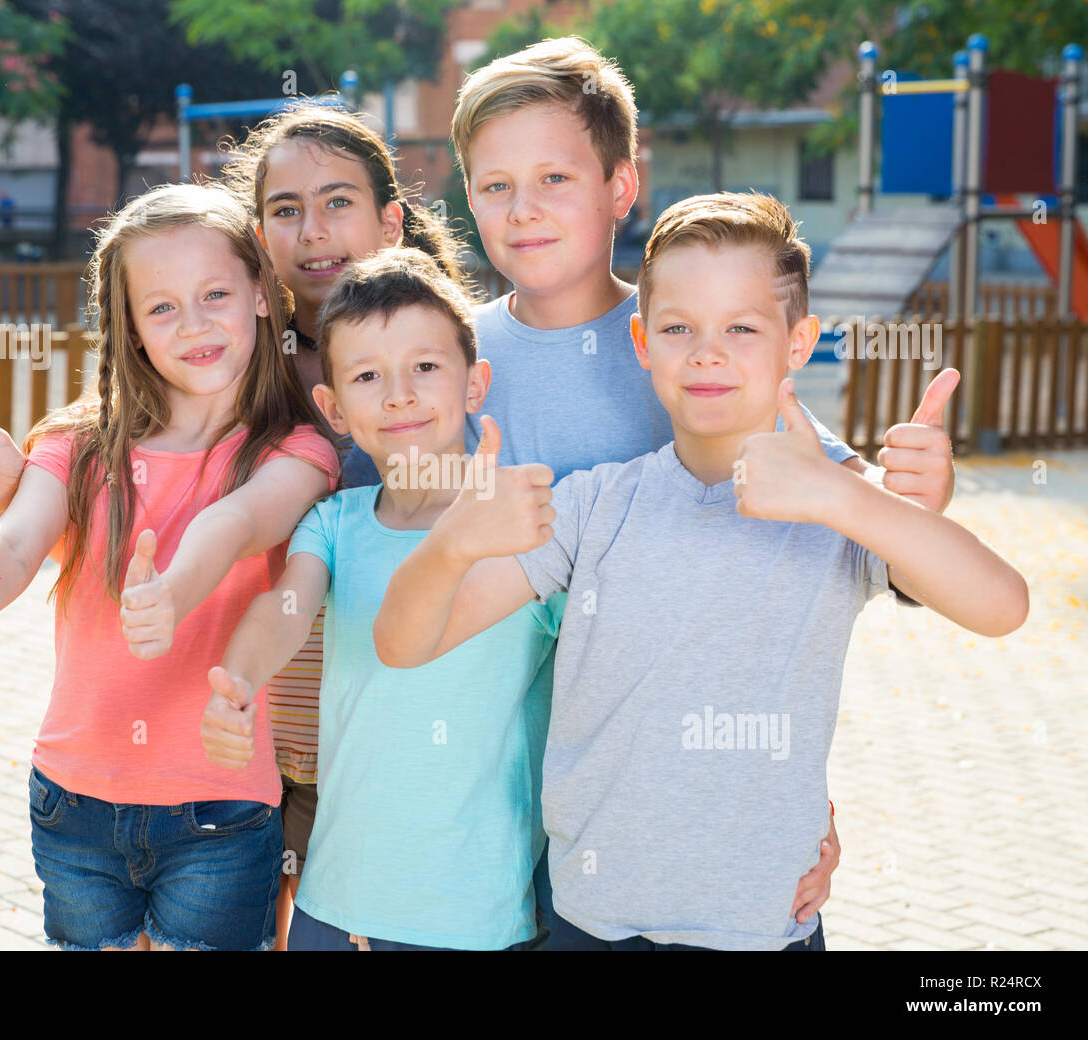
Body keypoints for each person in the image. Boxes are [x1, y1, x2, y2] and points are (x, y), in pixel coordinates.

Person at [373, 191, 1028, 950]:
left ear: (798, 342)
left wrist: (847, 495)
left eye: (742, 328)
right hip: (591, 922)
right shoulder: (592, 507)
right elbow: (404, 643)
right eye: (679, 329)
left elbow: (1001, 606)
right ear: (642, 342)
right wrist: (452, 543)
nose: (707, 353)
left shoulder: (840, 515)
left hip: (760, 929)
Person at [447, 36, 960, 939]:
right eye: (495, 185)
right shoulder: (442, 358)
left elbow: (824, 542)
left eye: (555, 179)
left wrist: (790, 800)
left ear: (620, 187)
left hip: (654, 828)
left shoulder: (696, 347)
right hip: (473, 807)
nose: (524, 210)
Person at [0, 104, 476, 949]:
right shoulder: (223, 396)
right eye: (287, 210)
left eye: (338, 201)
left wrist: (171, 590)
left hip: (354, 746)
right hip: (240, 749)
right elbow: (38, 529)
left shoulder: (416, 370)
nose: (314, 231)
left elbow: (232, 522)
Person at [0, 182, 340, 951]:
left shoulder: (298, 450)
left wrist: (172, 591)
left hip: (220, 813)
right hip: (73, 804)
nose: (193, 323)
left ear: (263, 295)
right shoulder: (75, 443)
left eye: (216, 294)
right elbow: (13, 546)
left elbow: (237, 524)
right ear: (128, 328)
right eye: (161, 307)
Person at [200, 247, 560, 950]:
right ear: (332, 407)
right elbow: (285, 608)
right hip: (334, 902)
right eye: (368, 376)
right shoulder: (336, 522)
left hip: (472, 913)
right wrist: (237, 682)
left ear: (475, 383)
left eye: (425, 367)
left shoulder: (528, 520)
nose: (399, 394)